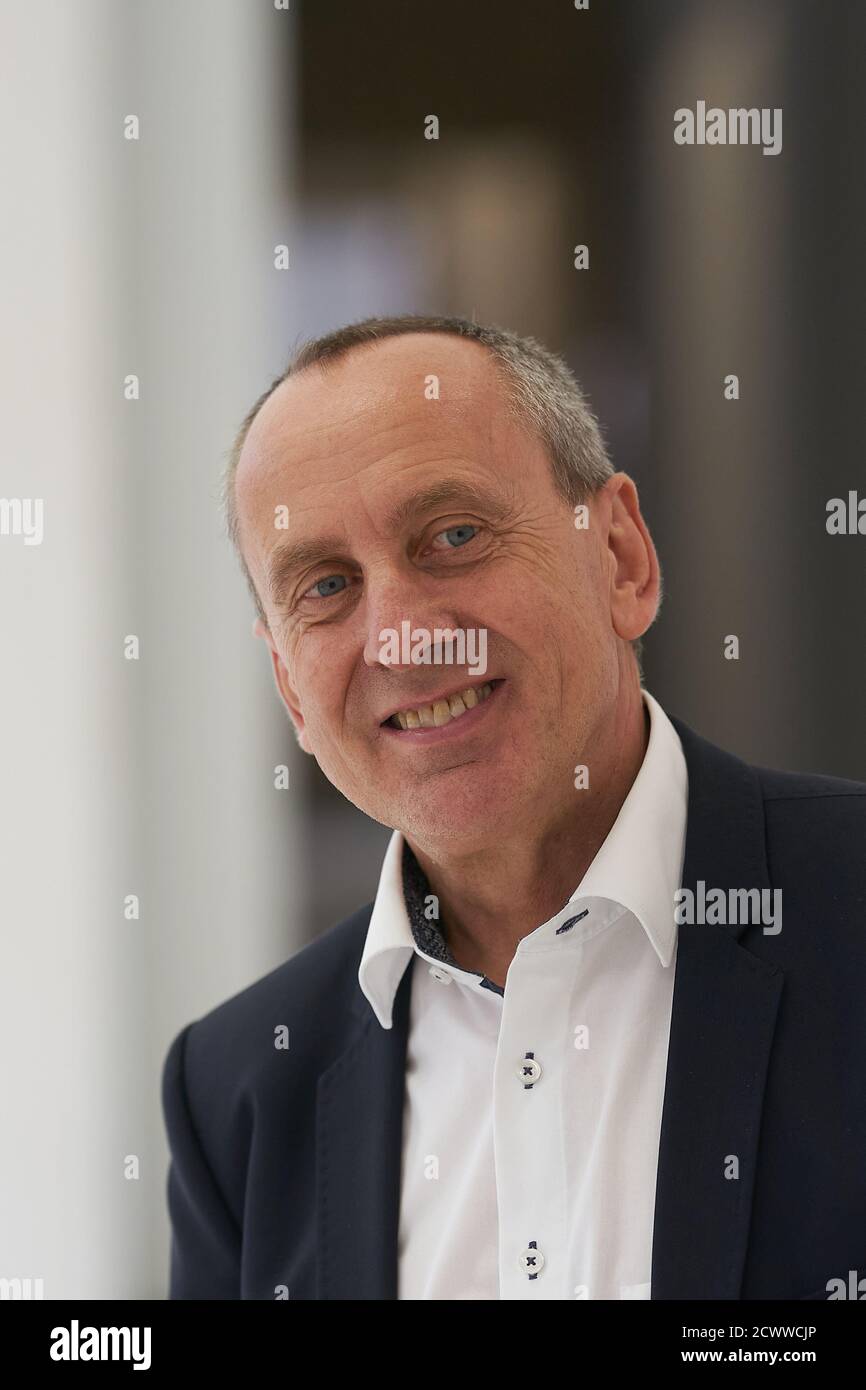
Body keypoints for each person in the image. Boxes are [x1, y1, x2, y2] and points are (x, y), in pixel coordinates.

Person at [161, 315, 866, 1300]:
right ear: (289, 688)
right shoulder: (237, 1090)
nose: (404, 639)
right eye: (325, 586)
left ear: (620, 559)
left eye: (453, 535)